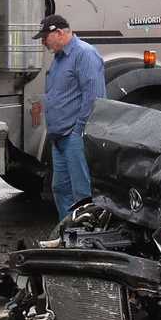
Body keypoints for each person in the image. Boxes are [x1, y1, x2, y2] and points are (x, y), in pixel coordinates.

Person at [29, 14, 106, 219]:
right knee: (60, 189)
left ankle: (87, 236)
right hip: (59, 136)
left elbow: (94, 98)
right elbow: (59, 93)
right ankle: (69, 234)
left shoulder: (84, 54)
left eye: (45, 38)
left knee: (81, 192)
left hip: (74, 135)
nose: (44, 43)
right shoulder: (59, 58)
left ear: (59, 33)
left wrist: (78, 131)